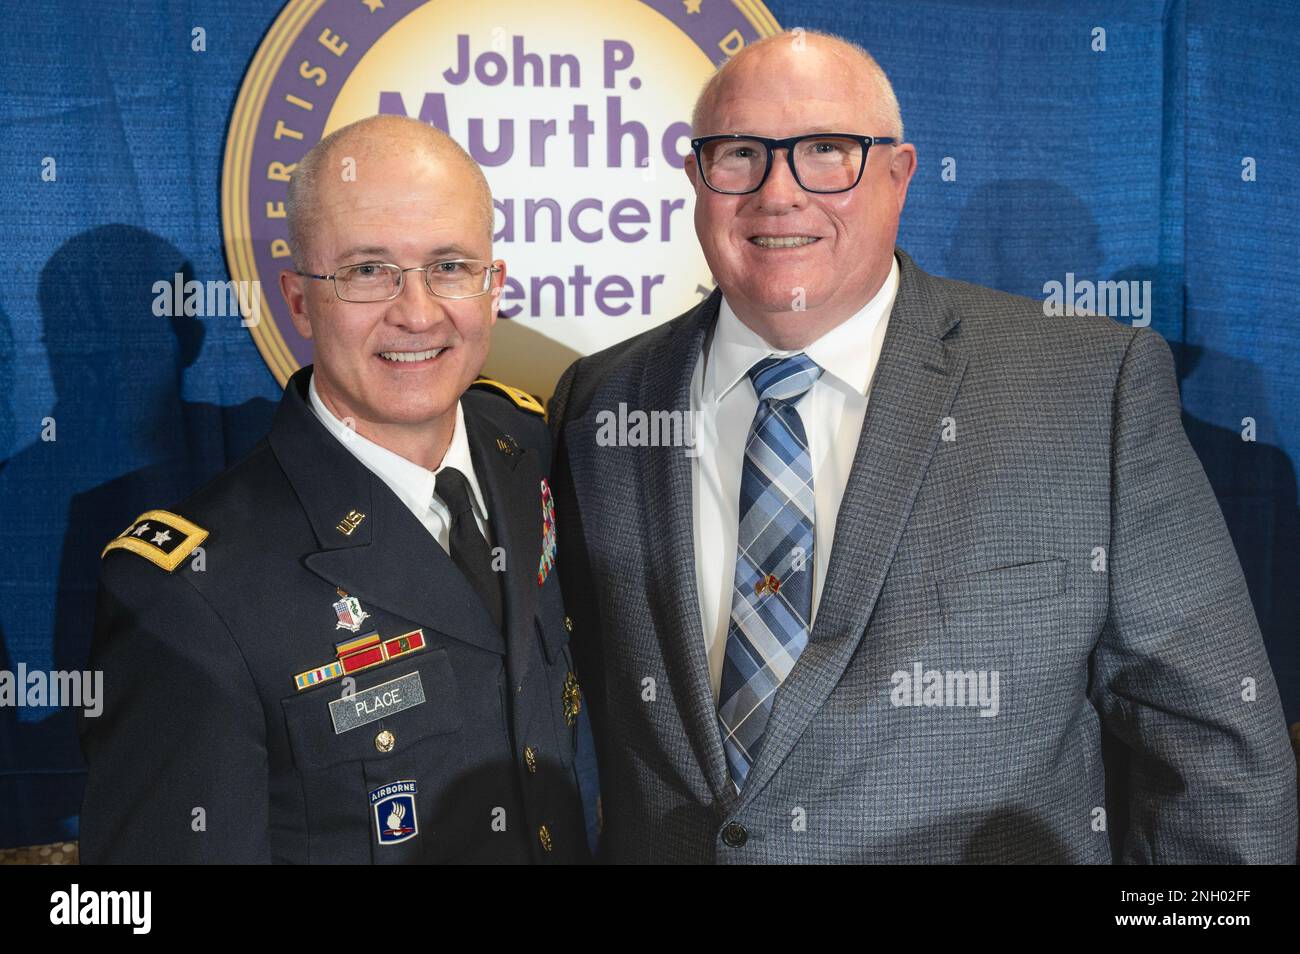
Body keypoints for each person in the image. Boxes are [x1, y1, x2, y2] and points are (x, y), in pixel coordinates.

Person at [548, 30, 1297, 863]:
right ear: (697, 178)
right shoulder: (601, 403)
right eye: (739, 155)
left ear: (899, 176)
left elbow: (1219, 754)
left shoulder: (1091, 391)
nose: (778, 193)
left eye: (826, 152)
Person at [79, 115, 587, 863]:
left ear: (493, 287)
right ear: (297, 298)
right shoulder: (192, 593)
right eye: (366, 271)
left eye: (449, 266)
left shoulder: (537, 450)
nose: (416, 312)